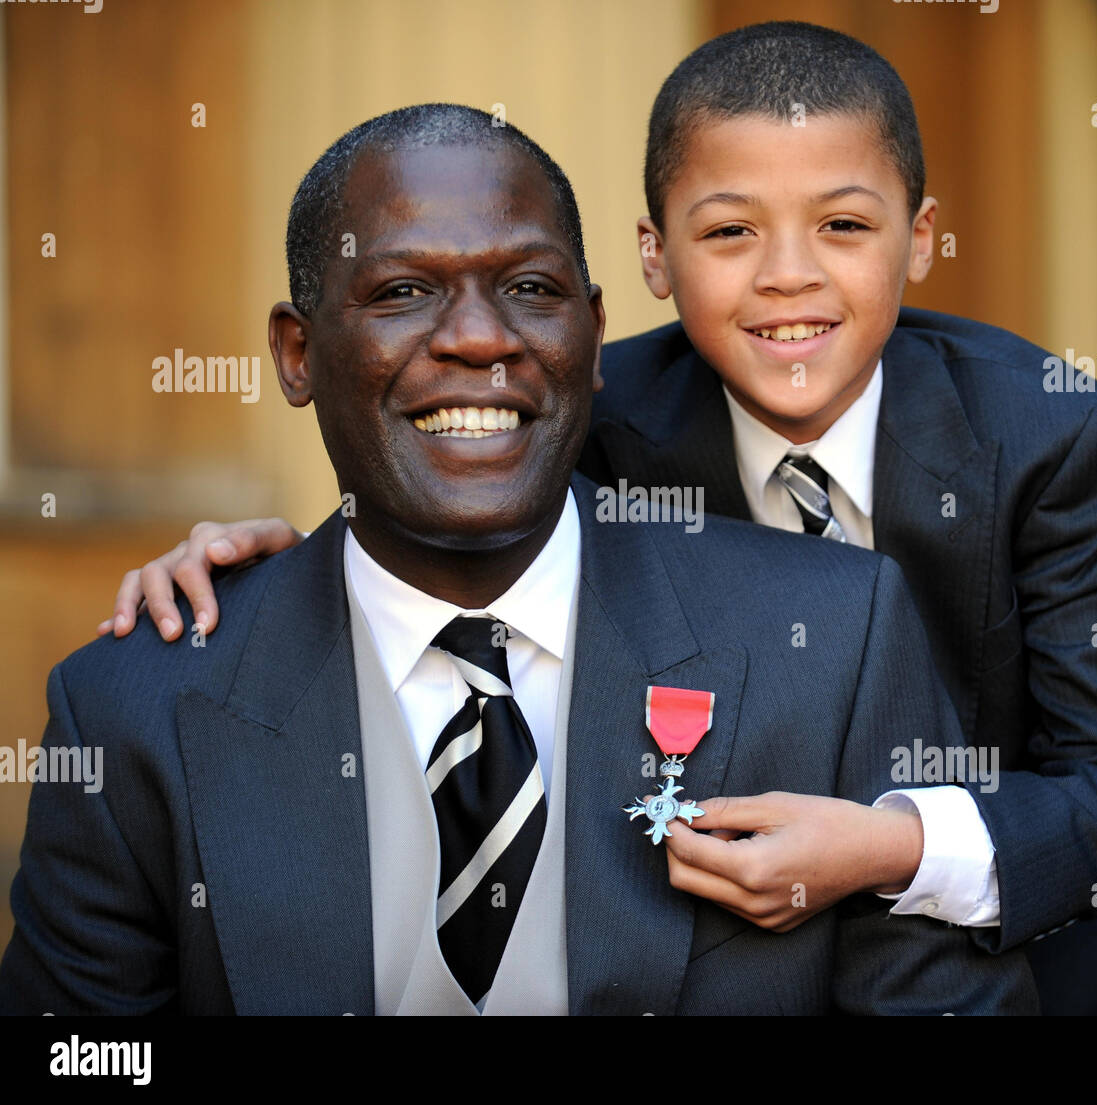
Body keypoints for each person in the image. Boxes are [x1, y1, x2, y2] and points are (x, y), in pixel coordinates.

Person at [104, 23, 1097, 1015]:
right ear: (652, 257)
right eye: (730, 232)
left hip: (1057, 945)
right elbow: (430, 497)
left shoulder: (1042, 434)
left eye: (844, 226)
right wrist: (270, 562)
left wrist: (885, 844)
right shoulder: (594, 402)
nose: (788, 277)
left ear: (923, 237)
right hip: (754, 957)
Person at [0, 103, 1035, 1015]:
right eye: (403, 292)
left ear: (590, 334)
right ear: (297, 353)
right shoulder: (137, 708)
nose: (478, 340)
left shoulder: (834, 643)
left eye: (530, 287)